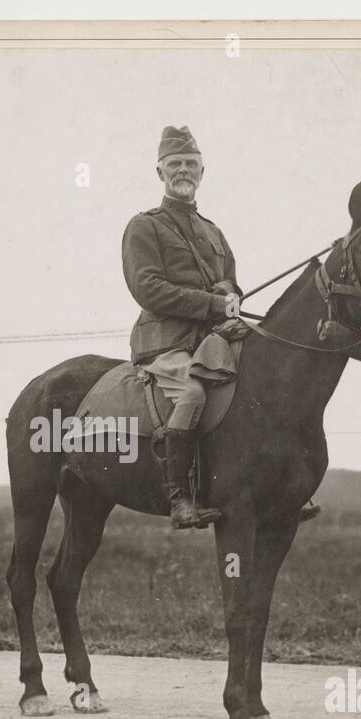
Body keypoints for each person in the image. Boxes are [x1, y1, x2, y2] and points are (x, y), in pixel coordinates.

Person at [121, 125, 241, 528]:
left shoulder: (214, 232)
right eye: (175, 164)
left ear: (202, 172)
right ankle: (181, 500)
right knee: (191, 394)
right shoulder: (144, 226)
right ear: (160, 172)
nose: (183, 171)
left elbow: (230, 283)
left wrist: (230, 295)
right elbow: (148, 288)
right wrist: (213, 303)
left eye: (191, 164)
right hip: (165, 342)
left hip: (212, 340)